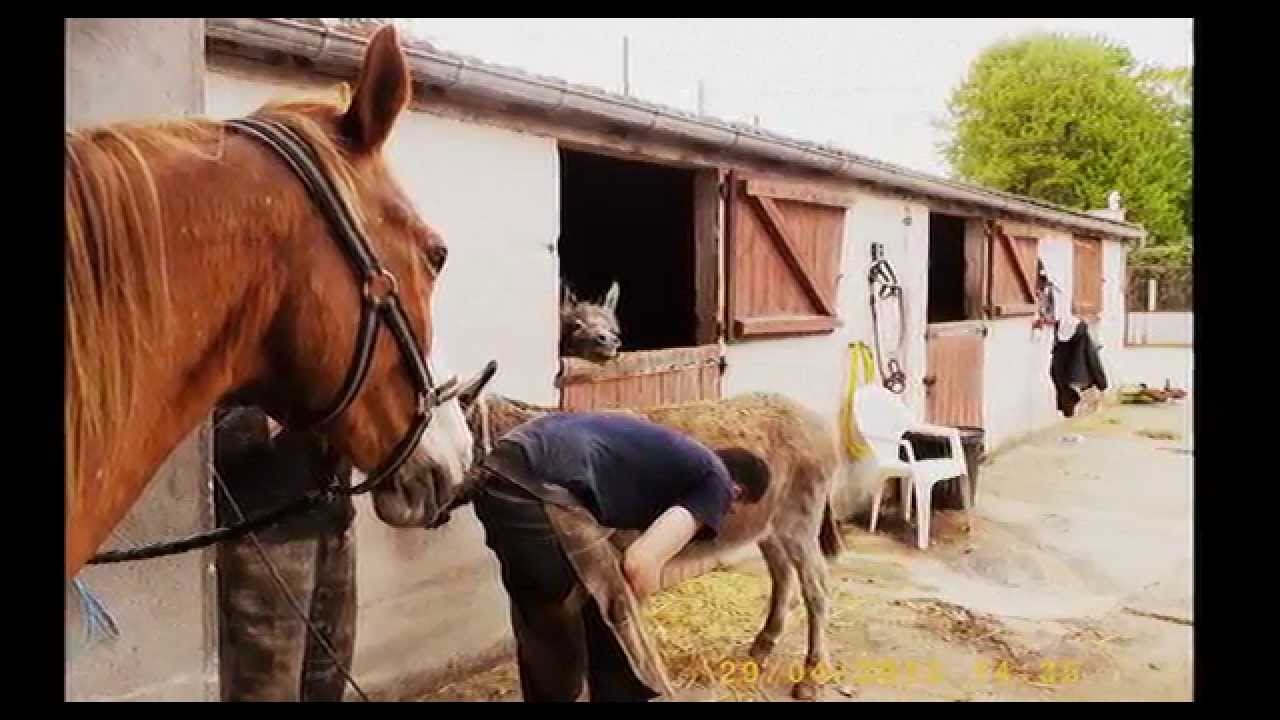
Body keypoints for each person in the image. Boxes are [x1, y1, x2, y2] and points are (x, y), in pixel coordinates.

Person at [464, 411, 771, 702]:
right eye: (730, 510)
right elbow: (641, 562)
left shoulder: (673, 456)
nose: (723, 514)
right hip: (541, 488)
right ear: (737, 492)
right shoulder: (716, 482)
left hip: (501, 470)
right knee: (614, 632)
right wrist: (639, 613)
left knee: (544, 622)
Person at [212, 405, 357, 702]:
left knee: (328, 679)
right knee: (266, 689)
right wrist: (279, 412)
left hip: (333, 525)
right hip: (266, 538)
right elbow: (211, 437)